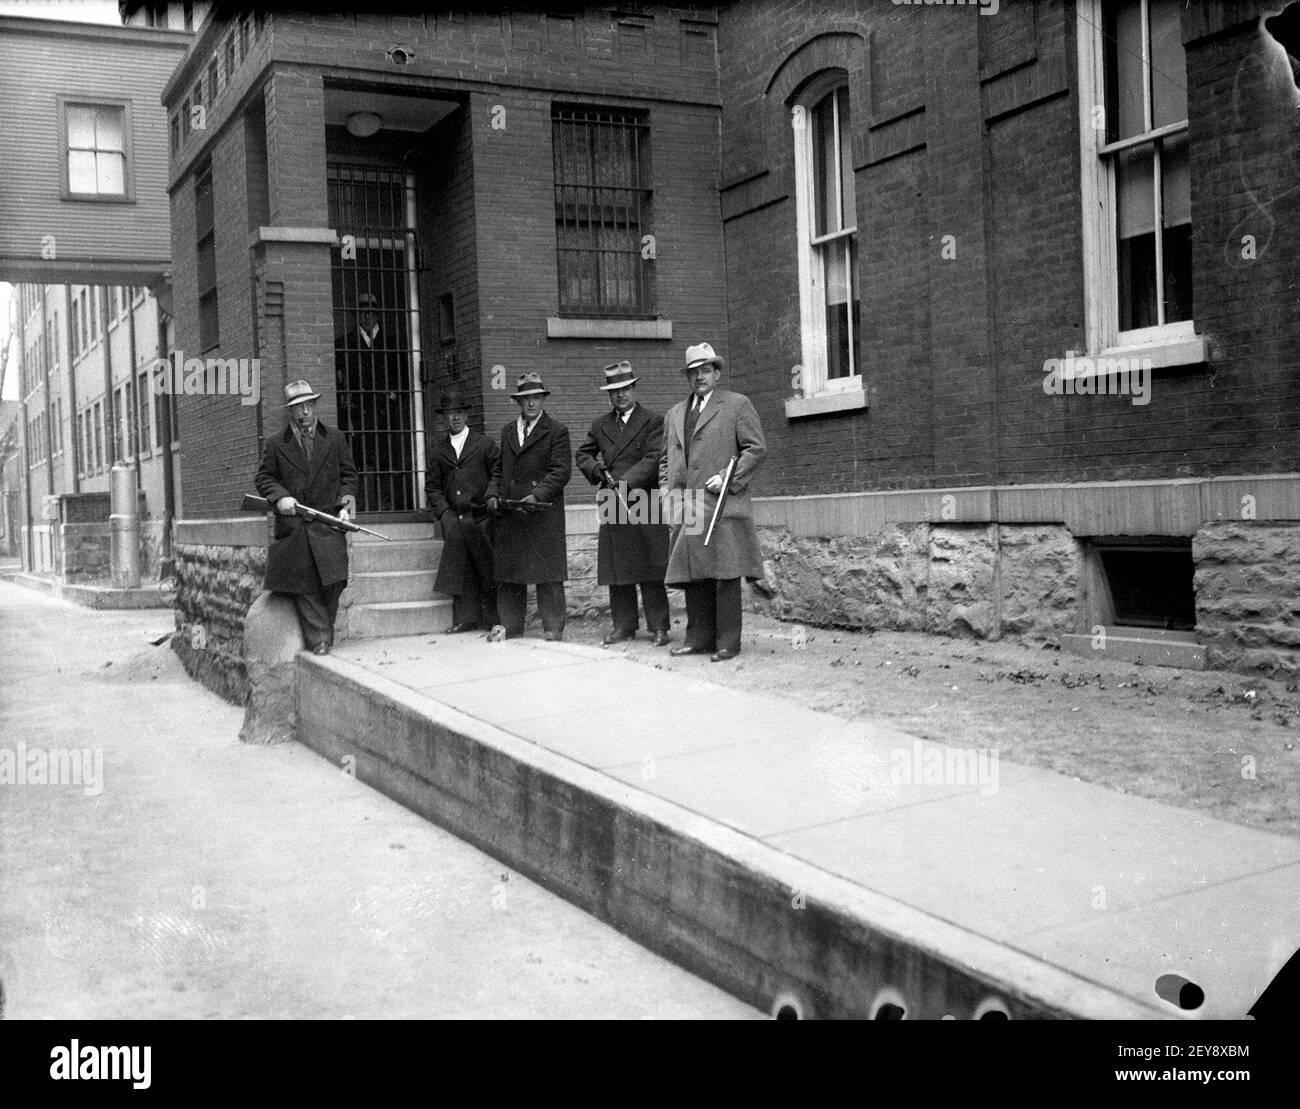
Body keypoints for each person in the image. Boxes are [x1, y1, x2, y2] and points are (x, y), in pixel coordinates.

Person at [659, 342, 766, 662]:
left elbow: (756, 449)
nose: (699, 377)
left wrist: (727, 478)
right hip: (688, 506)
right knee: (695, 575)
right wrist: (666, 490)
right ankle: (699, 638)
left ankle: (727, 642)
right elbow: (666, 459)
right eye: (693, 372)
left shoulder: (737, 405)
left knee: (725, 575)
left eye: (705, 371)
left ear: (717, 374)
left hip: (722, 505)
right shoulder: (675, 413)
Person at [254, 379, 359, 655]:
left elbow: (349, 477)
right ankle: (320, 639)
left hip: (328, 523)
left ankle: (324, 629)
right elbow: (263, 477)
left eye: (309, 406)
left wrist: (346, 507)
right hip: (296, 527)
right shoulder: (277, 444)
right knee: (305, 584)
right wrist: (280, 497)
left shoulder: (335, 439)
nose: (304, 414)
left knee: (336, 579)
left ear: (315, 406)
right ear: (290, 411)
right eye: (298, 408)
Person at [575, 361, 671, 646]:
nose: (621, 395)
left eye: (626, 388)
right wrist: (596, 470)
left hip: (643, 498)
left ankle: (659, 626)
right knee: (618, 568)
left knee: (651, 566)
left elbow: (654, 458)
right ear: (609, 394)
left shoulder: (653, 420)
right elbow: (583, 454)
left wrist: (625, 482)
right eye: (615, 390)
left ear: (634, 388)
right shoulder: (600, 424)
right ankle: (624, 626)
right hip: (612, 500)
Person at [486, 372, 571, 640]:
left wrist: (537, 495)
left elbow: (560, 471)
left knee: (548, 572)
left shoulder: (557, 431)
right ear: (518, 402)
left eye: (536, 398)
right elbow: (500, 469)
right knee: (511, 572)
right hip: (512, 511)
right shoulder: (508, 431)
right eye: (526, 399)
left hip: (542, 511)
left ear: (543, 400)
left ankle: (553, 627)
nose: (531, 404)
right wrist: (492, 494)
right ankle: (510, 626)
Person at [426, 387, 499, 633]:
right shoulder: (438, 450)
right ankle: (466, 618)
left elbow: (497, 474)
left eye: (459, 412)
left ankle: (492, 619)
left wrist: (490, 497)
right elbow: (433, 487)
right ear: (443, 418)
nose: (454, 418)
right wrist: (444, 514)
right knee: (461, 569)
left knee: (486, 568)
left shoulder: (484, 444)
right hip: (454, 518)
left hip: (480, 517)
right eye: (449, 413)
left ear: (467, 416)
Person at [334, 289, 412, 511]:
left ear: (378, 315)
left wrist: (395, 393)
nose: (366, 317)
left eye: (370, 312)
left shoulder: (391, 343)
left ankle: (388, 508)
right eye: (361, 312)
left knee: (387, 461)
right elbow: (337, 379)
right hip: (358, 413)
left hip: (386, 412)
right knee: (357, 462)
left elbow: (404, 377)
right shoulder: (344, 343)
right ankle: (363, 508)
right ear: (356, 315)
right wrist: (346, 398)